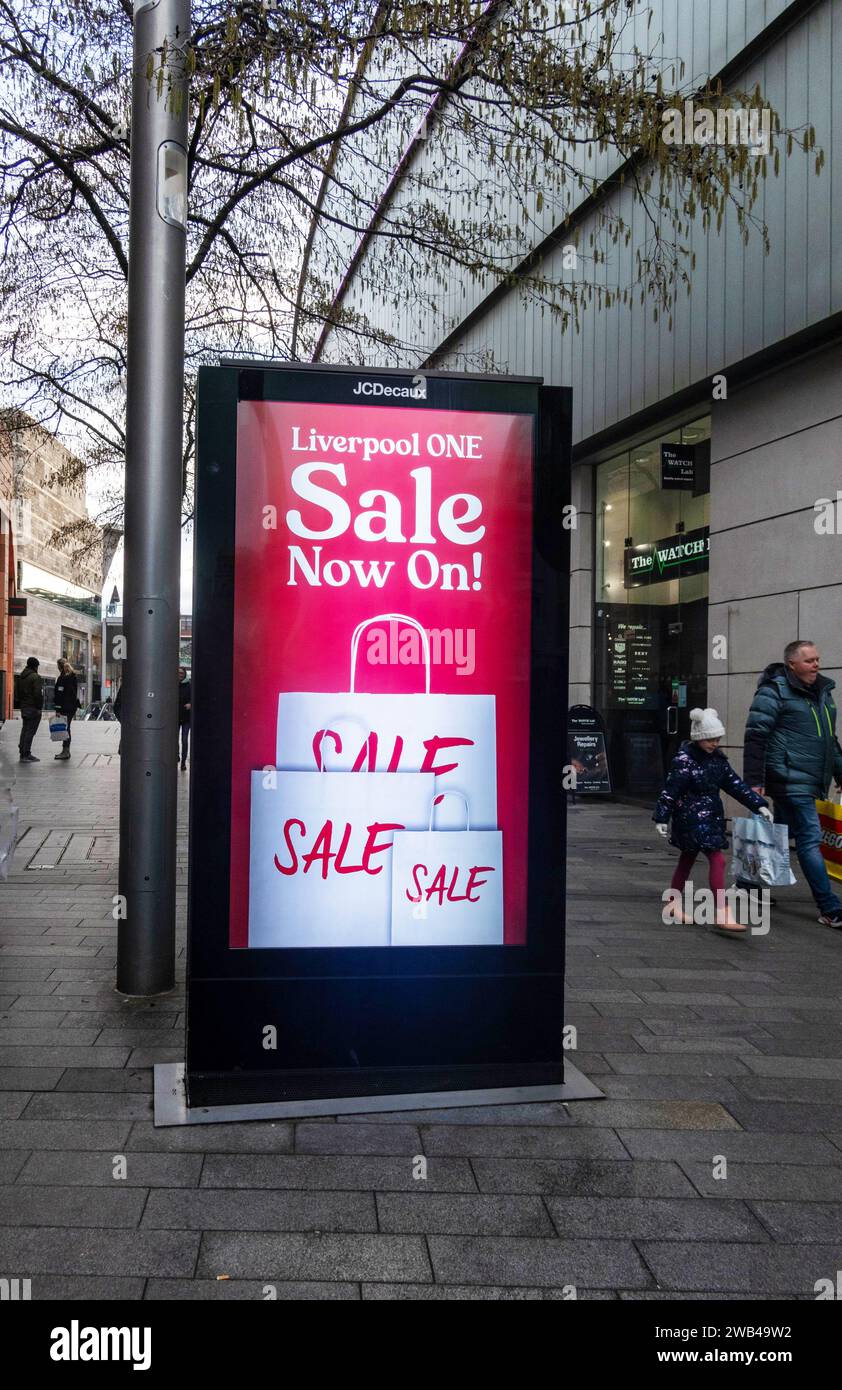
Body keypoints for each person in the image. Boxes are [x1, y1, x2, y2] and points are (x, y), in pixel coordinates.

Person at [743, 640, 842, 929]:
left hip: (810, 781)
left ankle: (748, 885)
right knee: (810, 839)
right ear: (791, 664)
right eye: (809, 660)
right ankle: (830, 907)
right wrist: (754, 782)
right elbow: (756, 736)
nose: (816, 664)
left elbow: (829, 741)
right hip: (788, 779)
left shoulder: (823, 693)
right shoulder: (774, 692)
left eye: (817, 659)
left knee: (776, 834)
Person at [654, 707, 772, 933]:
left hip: (709, 818)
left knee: (687, 859)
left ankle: (673, 903)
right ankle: (721, 911)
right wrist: (662, 817)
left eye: (717, 739)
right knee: (717, 860)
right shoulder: (685, 761)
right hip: (690, 818)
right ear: (699, 737)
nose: (714, 743)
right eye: (709, 739)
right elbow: (671, 790)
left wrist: (758, 805)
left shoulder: (718, 761)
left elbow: (735, 785)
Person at [17, 656, 44, 762]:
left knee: (25, 729)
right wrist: (39, 707)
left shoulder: (21, 677)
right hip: (33, 707)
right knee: (30, 731)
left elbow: (17, 693)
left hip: (24, 707)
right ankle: (26, 754)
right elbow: (38, 694)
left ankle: (22, 752)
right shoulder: (35, 677)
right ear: (35, 666)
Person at [53, 659, 79, 761]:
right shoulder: (73, 676)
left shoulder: (63, 678)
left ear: (59, 667)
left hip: (65, 707)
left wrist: (58, 709)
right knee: (66, 728)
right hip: (72, 707)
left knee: (65, 728)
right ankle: (65, 751)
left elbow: (59, 695)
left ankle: (65, 751)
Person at [178, 666, 191, 770]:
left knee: (184, 739)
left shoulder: (189, 685)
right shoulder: (172, 685)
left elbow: (194, 698)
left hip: (186, 718)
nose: (180, 675)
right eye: (178, 673)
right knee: (174, 740)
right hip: (175, 717)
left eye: (182, 673)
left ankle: (183, 761)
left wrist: (190, 704)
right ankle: (176, 757)